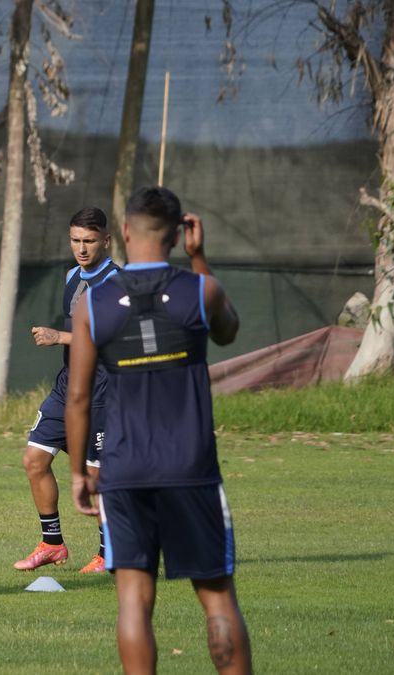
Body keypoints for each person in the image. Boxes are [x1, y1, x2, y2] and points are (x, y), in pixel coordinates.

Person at [66, 186, 251, 674]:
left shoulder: (91, 305)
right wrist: (201, 259)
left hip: (124, 470)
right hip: (190, 469)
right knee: (217, 601)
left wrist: (79, 473)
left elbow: (79, 397)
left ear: (123, 233)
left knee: (133, 601)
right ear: (178, 235)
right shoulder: (199, 289)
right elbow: (228, 329)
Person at [14, 207, 118, 574]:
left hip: (104, 391)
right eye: (75, 240)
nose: (82, 248)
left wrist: (60, 336)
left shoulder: (118, 283)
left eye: (89, 241)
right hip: (67, 386)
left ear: (106, 240)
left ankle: (110, 554)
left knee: (96, 477)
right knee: (35, 460)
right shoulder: (73, 275)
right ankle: (52, 544)